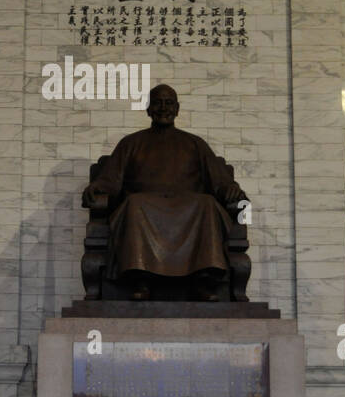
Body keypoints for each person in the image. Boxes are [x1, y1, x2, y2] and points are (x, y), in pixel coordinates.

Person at [82, 84, 247, 301]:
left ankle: (202, 280)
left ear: (177, 109)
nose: (163, 108)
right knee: (135, 204)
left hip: (190, 208)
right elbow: (111, 179)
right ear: (148, 109)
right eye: (157, 103)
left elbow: (219, 181)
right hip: (144, 208)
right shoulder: (130, 143)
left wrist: (231, 190)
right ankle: (141, 279)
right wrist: (98, 187)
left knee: (207, 204)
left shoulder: (195, 144)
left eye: (169, 103)